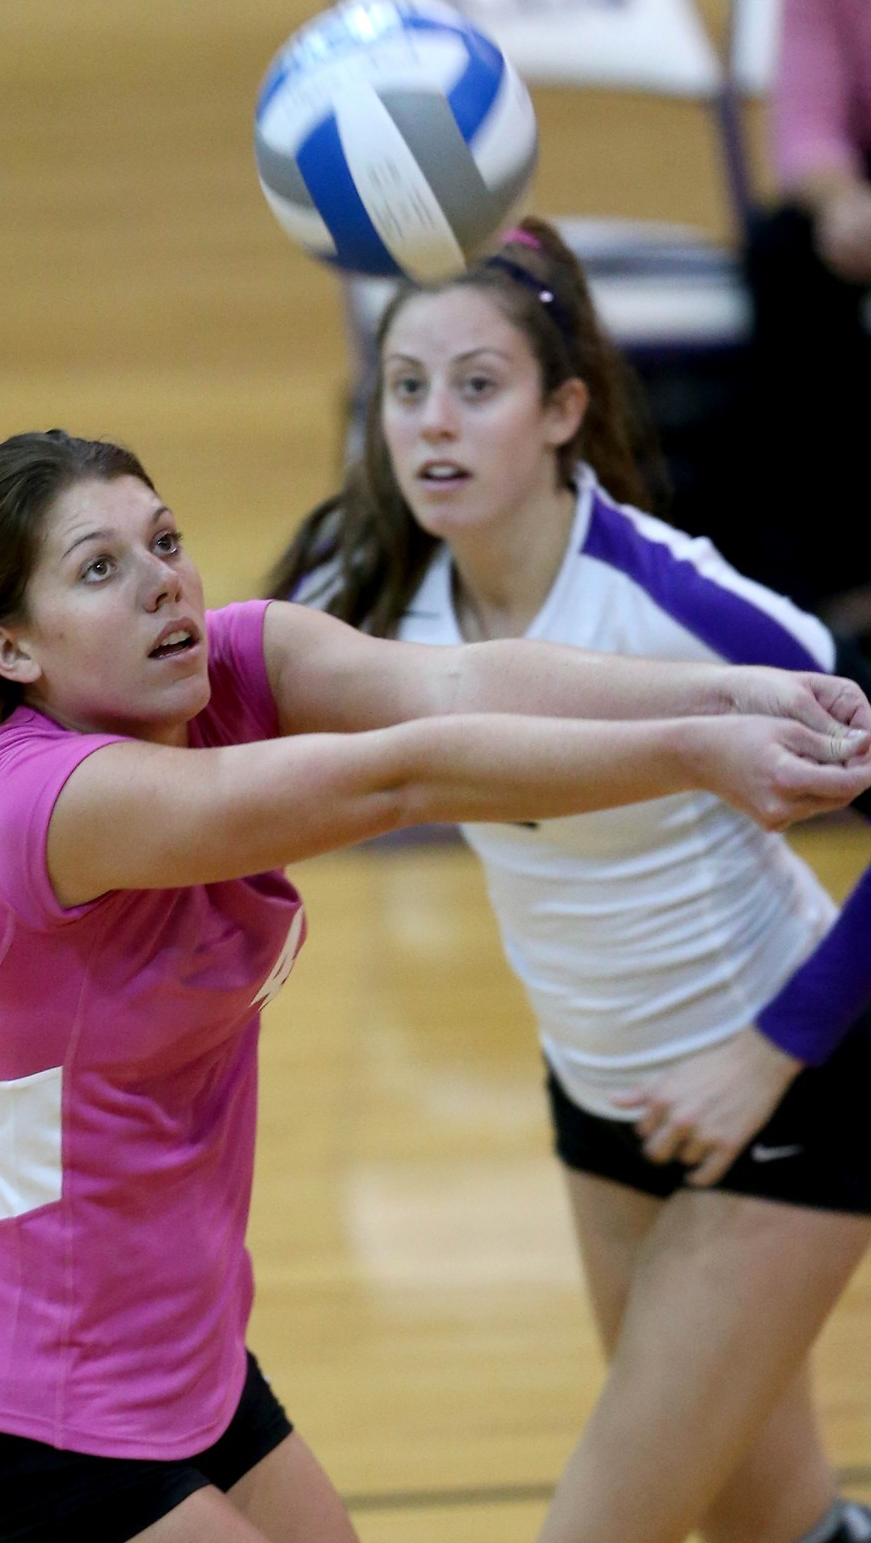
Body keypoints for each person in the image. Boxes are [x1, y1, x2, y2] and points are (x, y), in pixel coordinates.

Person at [0, 429, 871, 1543]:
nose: (161, 580)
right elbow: (399, 778)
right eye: (98, 569)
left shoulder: (231, 668)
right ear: (9, 648)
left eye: (163, 541)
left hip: (192, 1380)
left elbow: (455, 681)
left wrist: (729, 693)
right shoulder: (49, 803)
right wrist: (697, 756)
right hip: (40, 1428)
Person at [266, 221, 871, 1543]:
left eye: (476, 386)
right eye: (404, 387)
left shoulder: (680, 607)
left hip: (792, 1089)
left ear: (562, 411)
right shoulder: (363, 594)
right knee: (766, 1524)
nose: (433, 422)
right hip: (601, 1102)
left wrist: (769, 1050)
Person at [731, 0, 871, 623]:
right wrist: (842, 203)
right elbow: (807, 125)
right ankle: (833, 588)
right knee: (784, 254)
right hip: (862, 191)